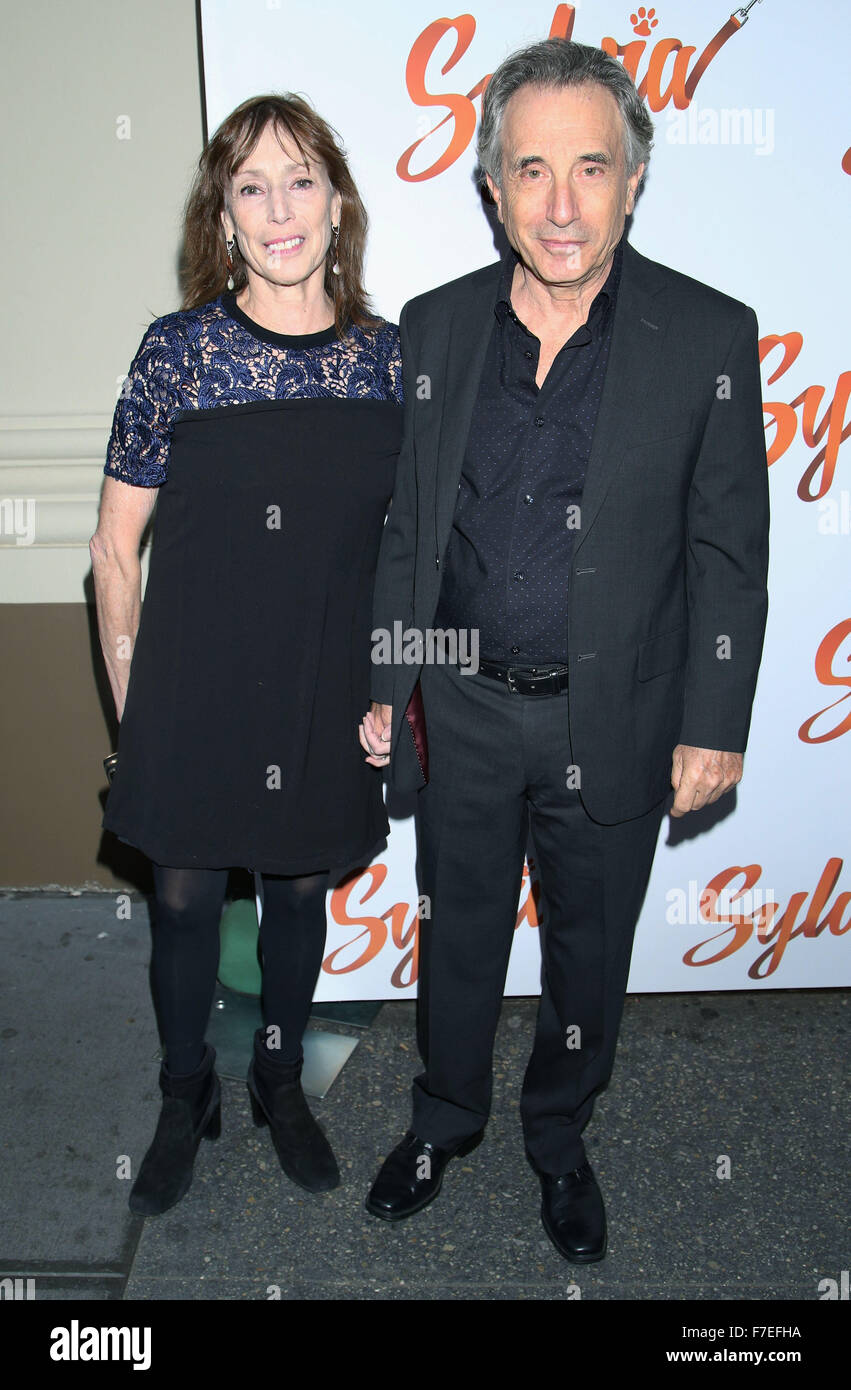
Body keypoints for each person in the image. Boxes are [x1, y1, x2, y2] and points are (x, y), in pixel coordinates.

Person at [359, 38, 769, 1262]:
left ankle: (557, 1137)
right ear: (489, 184)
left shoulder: (705, 334)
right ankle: (443, 1120)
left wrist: (713, 718)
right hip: (465, 705)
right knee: (459, 935)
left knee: (589, 957)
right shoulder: (432, 330)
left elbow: (726, 553)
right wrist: (391, 676)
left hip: (617, 716)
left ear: (633, 179)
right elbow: (406, 530)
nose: (558, 204)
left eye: (588, 168)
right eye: (528, 169)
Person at [90, 94, 402, 1216]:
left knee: (296, 892)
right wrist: (138, 711)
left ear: (337, 202)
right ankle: (188, 1092)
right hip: (190, 689)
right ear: (224, 217)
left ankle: (276, 1078)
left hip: (322, 693)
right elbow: (113, 549)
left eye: (300, 180)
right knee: (180, 902)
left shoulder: (387, 362)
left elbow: (407, 555)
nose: (279, 210)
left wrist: (392, 693)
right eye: (251, 188)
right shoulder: (179, 355)